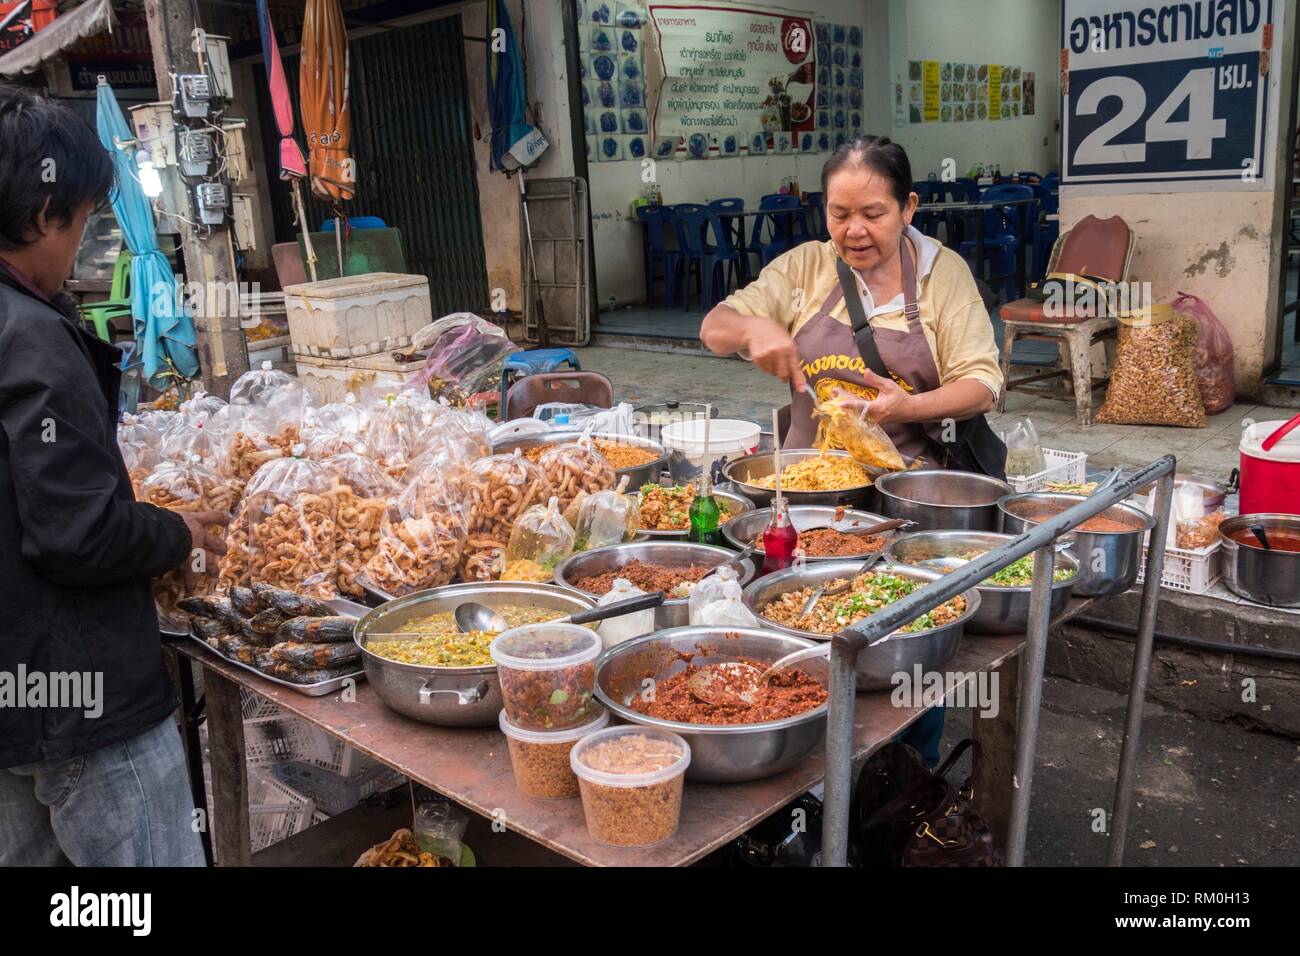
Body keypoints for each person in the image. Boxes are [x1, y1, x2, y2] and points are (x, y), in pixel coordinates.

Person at [700, 136, 1008, 765]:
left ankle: (902, 780)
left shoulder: (940, 273)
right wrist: (755, 327)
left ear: (909, 207)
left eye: (873, 213)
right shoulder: (807, 267)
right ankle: (809, 763)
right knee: (803, 622)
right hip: (813, 491)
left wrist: (907, 406)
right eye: (840, 214)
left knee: (899, 642)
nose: (855, 230)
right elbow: (715, 328)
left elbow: (983, 383)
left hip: (906, 494)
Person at [0, 87, 226, 865]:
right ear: (40, 218)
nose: (85, 242)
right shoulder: (30, 339)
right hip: (81, 703)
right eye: (88, 218)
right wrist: (176, 532)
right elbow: (78, 531)